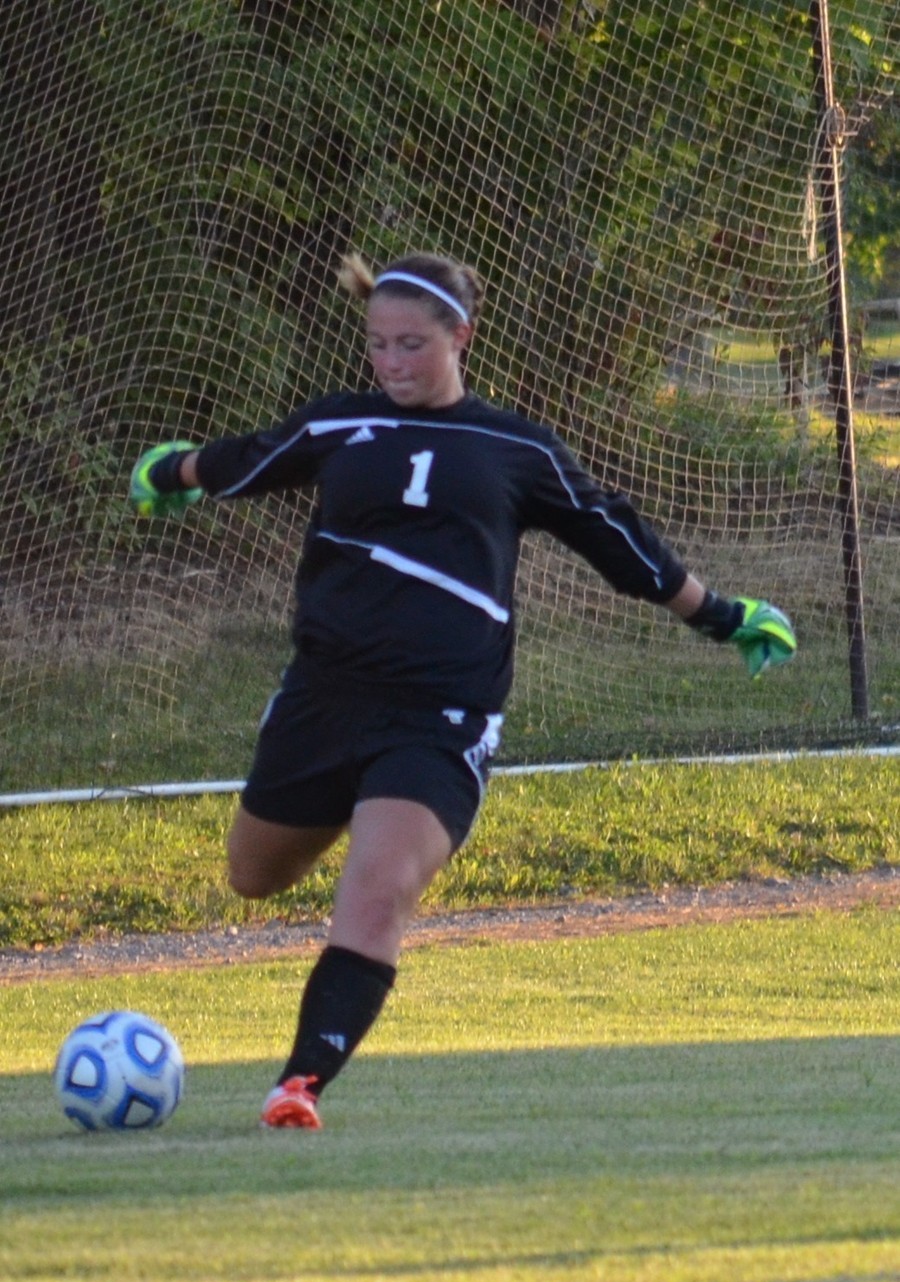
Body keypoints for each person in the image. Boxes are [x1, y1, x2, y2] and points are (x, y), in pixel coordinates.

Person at [129, 250, 796, 1129]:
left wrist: (719, 612)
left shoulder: (515, 448)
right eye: (378, 347)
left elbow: (615, 537)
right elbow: (247, 459)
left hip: (441, 716)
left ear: (461, 338)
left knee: (376, 893)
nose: (394, 363)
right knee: (253, 875)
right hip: (321, 700)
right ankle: (353, 805)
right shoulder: (340, 427)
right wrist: (173, 470)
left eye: (412, 344)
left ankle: (298, 1086)